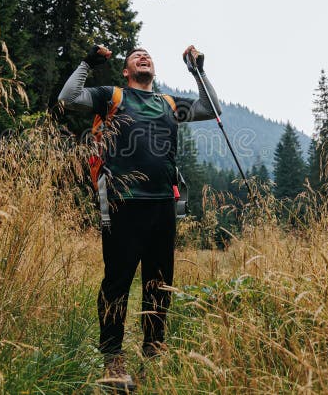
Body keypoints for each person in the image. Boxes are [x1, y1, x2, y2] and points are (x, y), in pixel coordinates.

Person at [58, 44, 221, 391]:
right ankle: (113, 361)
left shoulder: (169, 103)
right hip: (121, 202)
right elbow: (69, 97)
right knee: (117, 284)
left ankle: (153, 354)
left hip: (163, 203)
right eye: (135, 55)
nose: (143, 57)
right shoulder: (112, 96)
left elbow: (211, 109)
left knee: (159, 284)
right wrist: (88, 61)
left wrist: (198, 71)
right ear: (126, 71)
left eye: (147, 54)